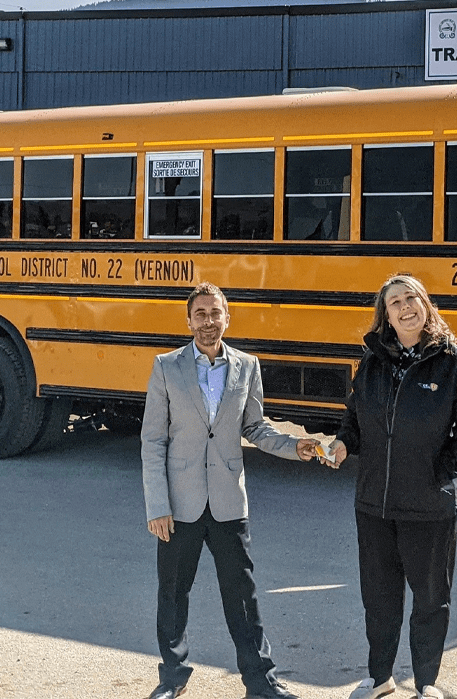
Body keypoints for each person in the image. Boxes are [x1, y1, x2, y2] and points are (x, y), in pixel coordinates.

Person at [141, 281, 321, 699]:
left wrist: (294, 446)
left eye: (215, 313)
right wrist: (157, 505)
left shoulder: (247, 366)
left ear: (227, 318)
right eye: (200, 314)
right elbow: (153, 440)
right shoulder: (166, 367)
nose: (208, 321)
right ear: (188, 321)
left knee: (243, 596)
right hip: (179, 504)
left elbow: (254, 427)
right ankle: (172, 678)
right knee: (173, 594)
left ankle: (260, 682)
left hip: (228, 502)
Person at [321, 274, 457, 699]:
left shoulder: (452, 362)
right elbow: (354, 418)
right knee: (379, 598)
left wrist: (440, 473)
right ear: (387, 316)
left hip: (429, 506)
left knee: (430, 599)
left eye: (411, 298)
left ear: (426, 305)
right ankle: (380, 678)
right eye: (395, 302)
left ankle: (426, 683)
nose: (405, 306)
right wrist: (342, 444)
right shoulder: (373, 362)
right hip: (374, 503)